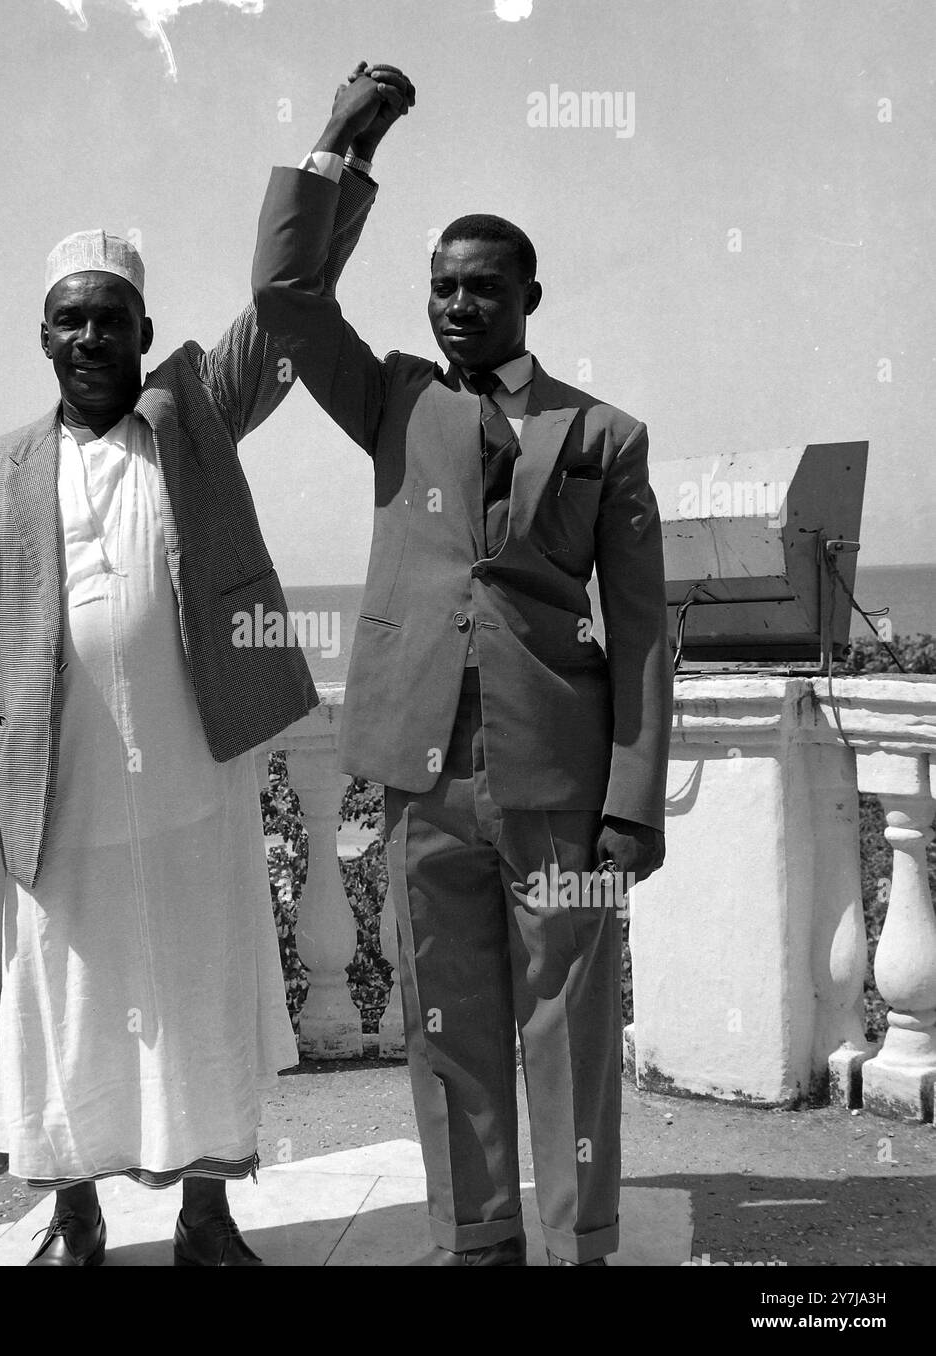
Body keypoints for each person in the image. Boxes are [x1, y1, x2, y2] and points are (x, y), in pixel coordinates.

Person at [0, 81, 404, 1265]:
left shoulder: (192, 409)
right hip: (56, 782)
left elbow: (288, 306)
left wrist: (335, 150)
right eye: (71, 320)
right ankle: (73, 1215)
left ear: (144, 331)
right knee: (65, 1003)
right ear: (44, 336)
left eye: (113, 319)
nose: (93, 339)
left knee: (197, 989)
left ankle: (206, 1215)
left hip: (194, 768)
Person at [252, 65, 671, 1266]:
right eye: (440, 289)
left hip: (559, 787)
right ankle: (473, 1243)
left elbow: (640, 629)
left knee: (572, 1027)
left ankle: (578, 1241)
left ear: (530, 296)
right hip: (420, 778)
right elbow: (285, 297)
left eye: (482, 289)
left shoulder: (604, 436)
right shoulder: (393, 404)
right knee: (447, 1027)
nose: (456, 307)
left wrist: (631, 809)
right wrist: (341, 142)